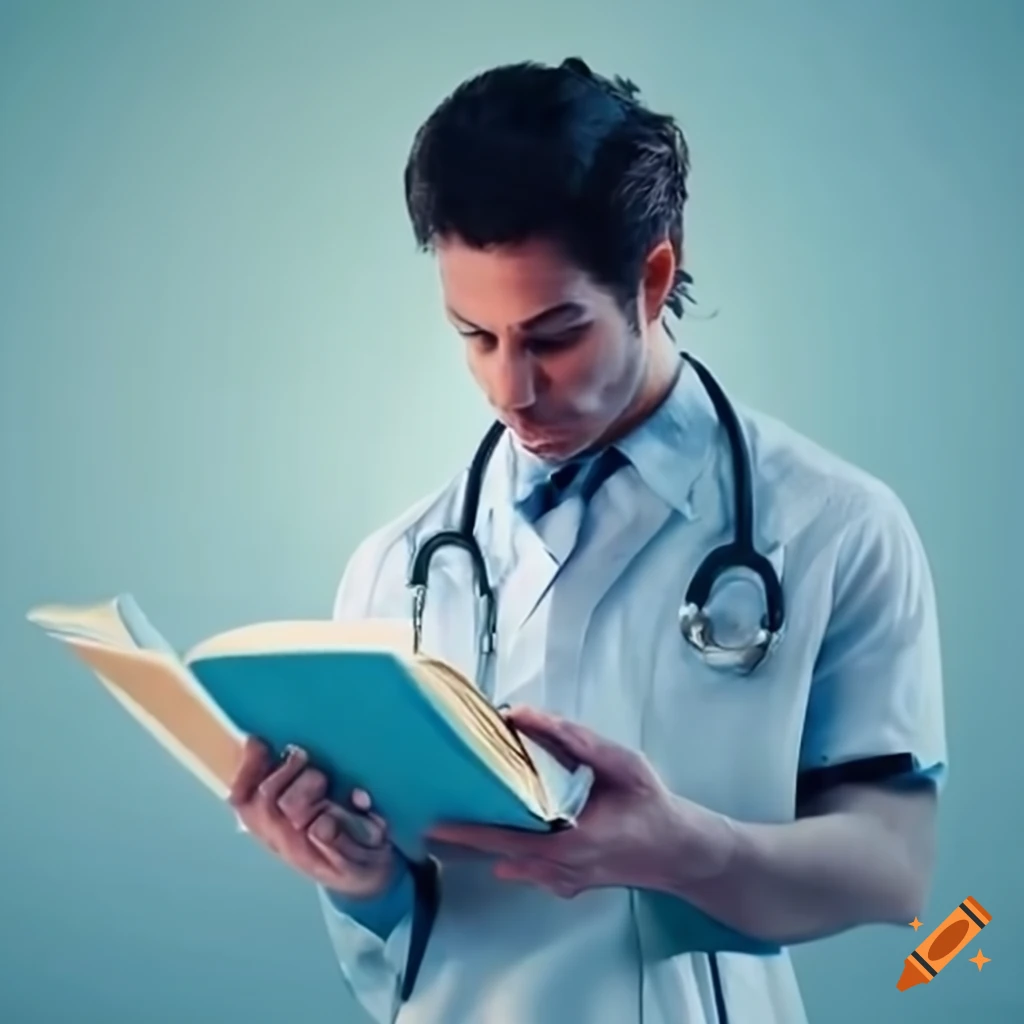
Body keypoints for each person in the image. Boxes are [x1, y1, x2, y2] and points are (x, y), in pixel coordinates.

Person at [227, 58, 947, 1023]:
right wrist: (356, 876)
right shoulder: (395, 569)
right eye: (475, 336)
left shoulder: (837, 529)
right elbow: (402, 925)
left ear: (651, 279)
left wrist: (686, 849)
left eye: (553, 335)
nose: (510, 389)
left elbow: (891, 869)